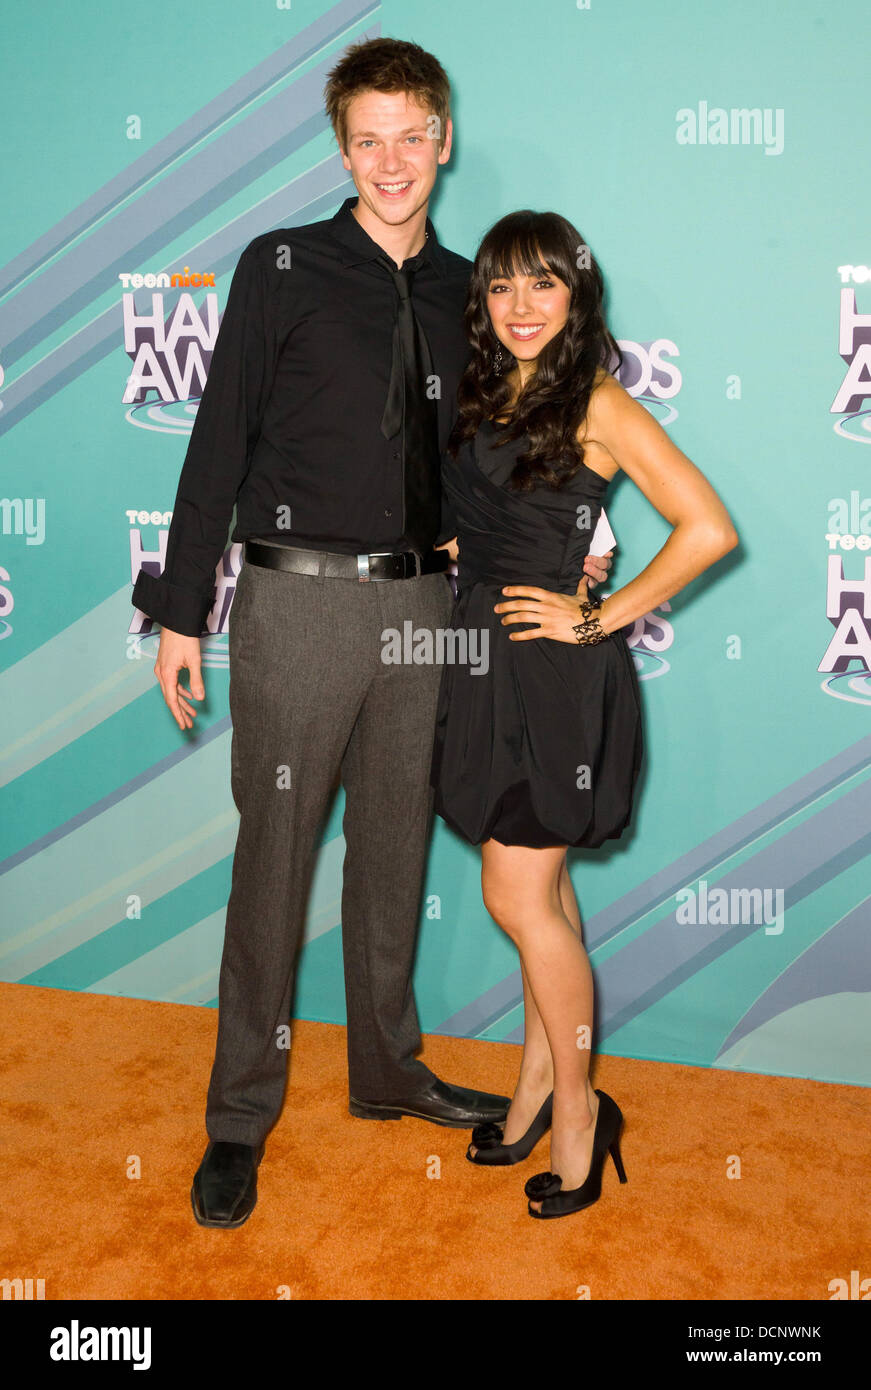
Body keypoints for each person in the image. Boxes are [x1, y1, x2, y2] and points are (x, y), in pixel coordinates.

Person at [130, 38, 615, 1228]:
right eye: (368, 139)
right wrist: (181, 612)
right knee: (275, 860)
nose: (391, 161)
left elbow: (521, 453)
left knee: (397, 849)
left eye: (413, 136)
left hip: (429, 613)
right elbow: (217, 445)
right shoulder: (280, 266)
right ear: (339, 147)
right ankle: (239, 1116)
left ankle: (387, 1070)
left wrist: (584, 549)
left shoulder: (472, 293)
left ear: (443, 139)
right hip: (296, 602)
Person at [429, 209, 738, 1219]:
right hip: (481, 661)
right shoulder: (486, 389)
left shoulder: (596, 401)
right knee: (541, 901)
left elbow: (707, 527)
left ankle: (575, 1114)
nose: (521, 306)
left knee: (519, 902)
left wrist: (597, 611)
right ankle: (531, 1091)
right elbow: (489, 522)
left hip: (552, 681)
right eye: (502, 286)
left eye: (542, 284)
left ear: (575, 294)